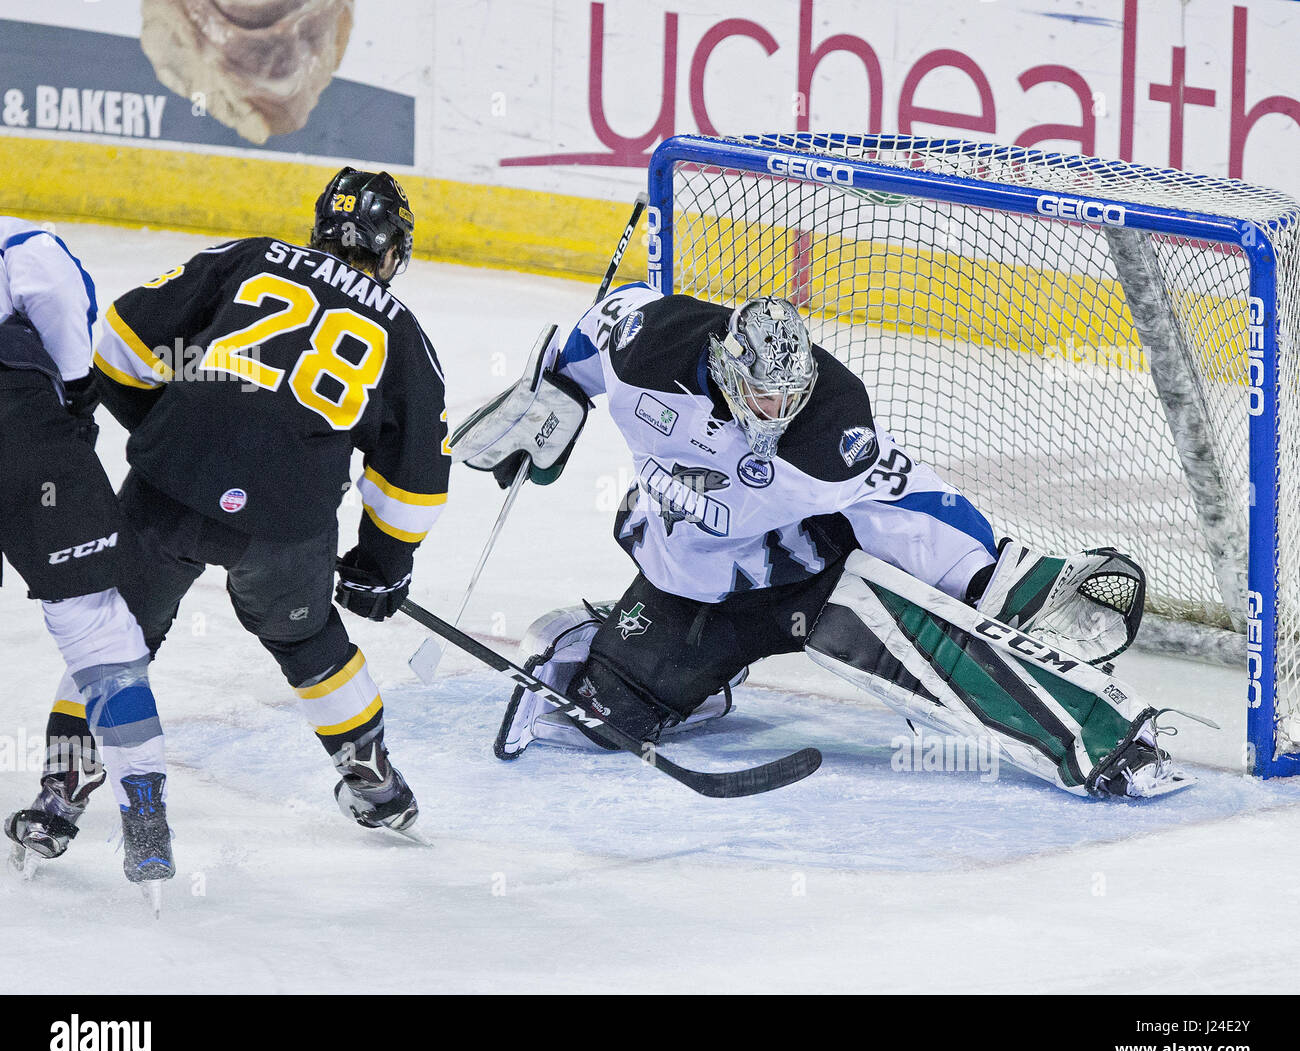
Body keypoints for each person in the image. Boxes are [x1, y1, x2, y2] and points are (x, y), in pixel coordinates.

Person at [453, 285, 1180, 798]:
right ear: (729, 369)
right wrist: (551, 395)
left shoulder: (829, 426)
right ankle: (668, 666)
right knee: (609, 716)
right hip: (688, 575)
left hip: (808, 583)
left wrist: (995, 579)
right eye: (766, 397)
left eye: (790, 393)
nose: (781, 408)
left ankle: (1105, 738)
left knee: (885, 625)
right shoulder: (651, 351)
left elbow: (911, 499)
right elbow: (593, 329)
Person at [23, 167, 450, 838]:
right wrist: (382, 562)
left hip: (170, 488)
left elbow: (118, 345)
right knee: (308, 639)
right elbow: (415, 479)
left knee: (117, 631)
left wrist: (172, 433)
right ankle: (373, 781)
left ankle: (61, 793)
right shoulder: (404, 335)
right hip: (286, 520)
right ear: (391, 250)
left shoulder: (249, 258)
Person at [0, 217, 174, 882]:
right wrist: (75, 399)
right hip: (27, 430)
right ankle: (144, 806)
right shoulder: (19, 237)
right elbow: (52, 288)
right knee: (100, 635)